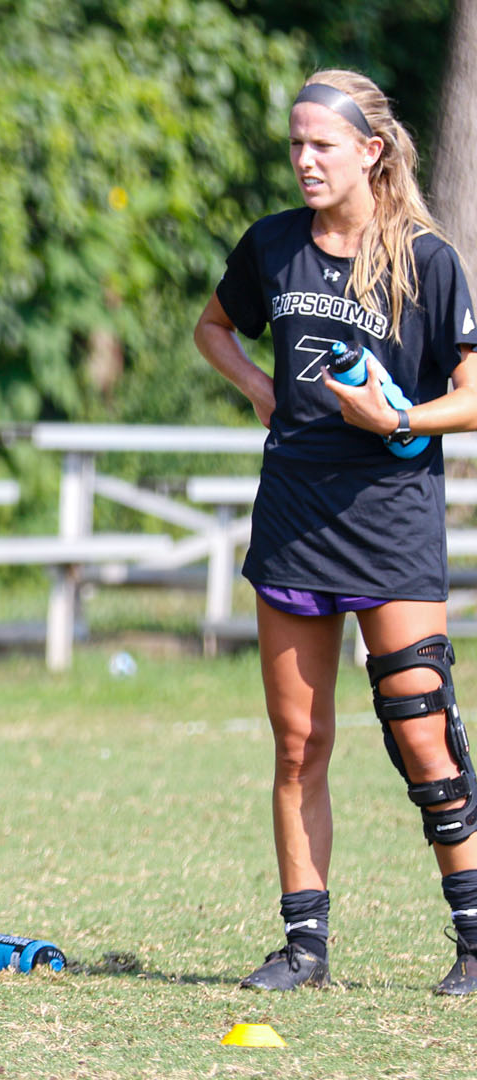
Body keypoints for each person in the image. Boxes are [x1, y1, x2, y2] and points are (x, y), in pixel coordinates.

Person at [195, 70, 477, 996]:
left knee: (420, 730)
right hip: (294, 519)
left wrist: (397, 422)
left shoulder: (430, 261)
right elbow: (212, 328)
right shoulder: (273, 247)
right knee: (296, 743)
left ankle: (474, 940)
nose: (306, 159)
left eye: (323, 144)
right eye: (296, 145)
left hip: (390, 525)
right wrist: (259, 387)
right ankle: (304, 950)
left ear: (373, 150)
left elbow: (472, 401)